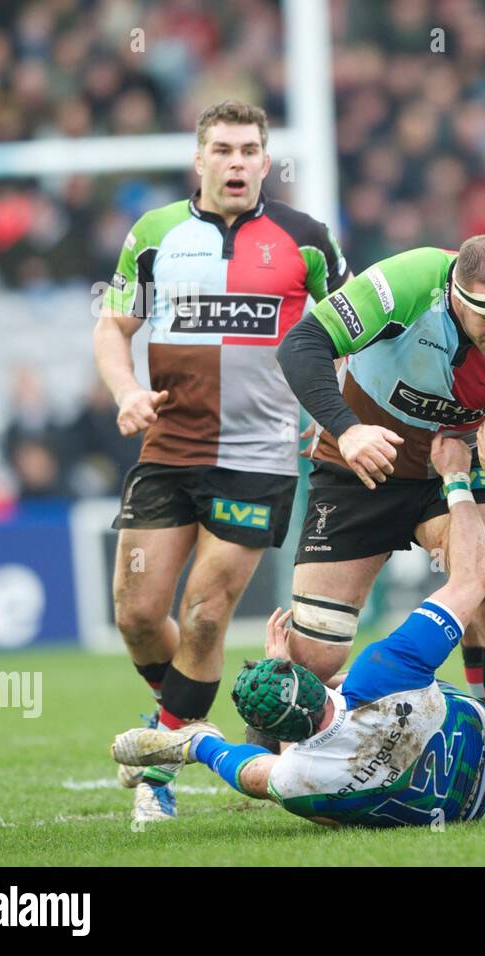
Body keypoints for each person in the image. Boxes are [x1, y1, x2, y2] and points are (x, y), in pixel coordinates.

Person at [275, 233, 485, 820]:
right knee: (315, 654)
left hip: (452, 465)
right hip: (363, 458)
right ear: (453, 293)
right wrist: (345, 425)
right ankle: (294, 748)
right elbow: (301, 343)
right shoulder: (408, 282)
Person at [93, 100, 349, 824]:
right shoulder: (154, 234)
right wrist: (126, 391)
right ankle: (177, 717)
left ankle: (160, 767)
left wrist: (337, 418)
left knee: (205, 614)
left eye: (249, 151)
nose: (237, 162)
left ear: (266, 161)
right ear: (199, 161)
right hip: (167, 448)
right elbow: (114, 325)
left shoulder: (307, 241)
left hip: (257, 456)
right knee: (139, 614)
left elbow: (354, 333)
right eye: (223, 150)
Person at [111, 434, 485, 829]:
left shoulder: (293, 777)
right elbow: (476, 577)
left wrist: (200, 745)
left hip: (458, 809)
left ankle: (192, 740)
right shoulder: (384, 670)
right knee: (410, 675)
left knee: (307, 800)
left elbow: (247, 769)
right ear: (310, 680)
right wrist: (456, 479)